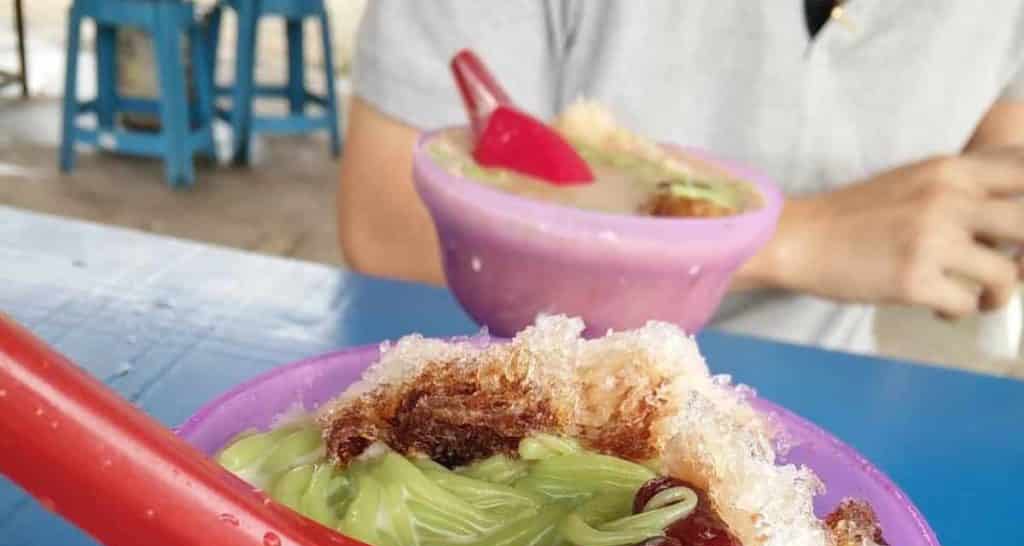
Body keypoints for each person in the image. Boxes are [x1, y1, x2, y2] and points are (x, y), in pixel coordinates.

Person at [337, 1, 1024, 351]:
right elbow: (387, 220)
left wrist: (979, 242)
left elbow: (992, 171)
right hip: (526, 379)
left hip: (829, 395)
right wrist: (799, 240)